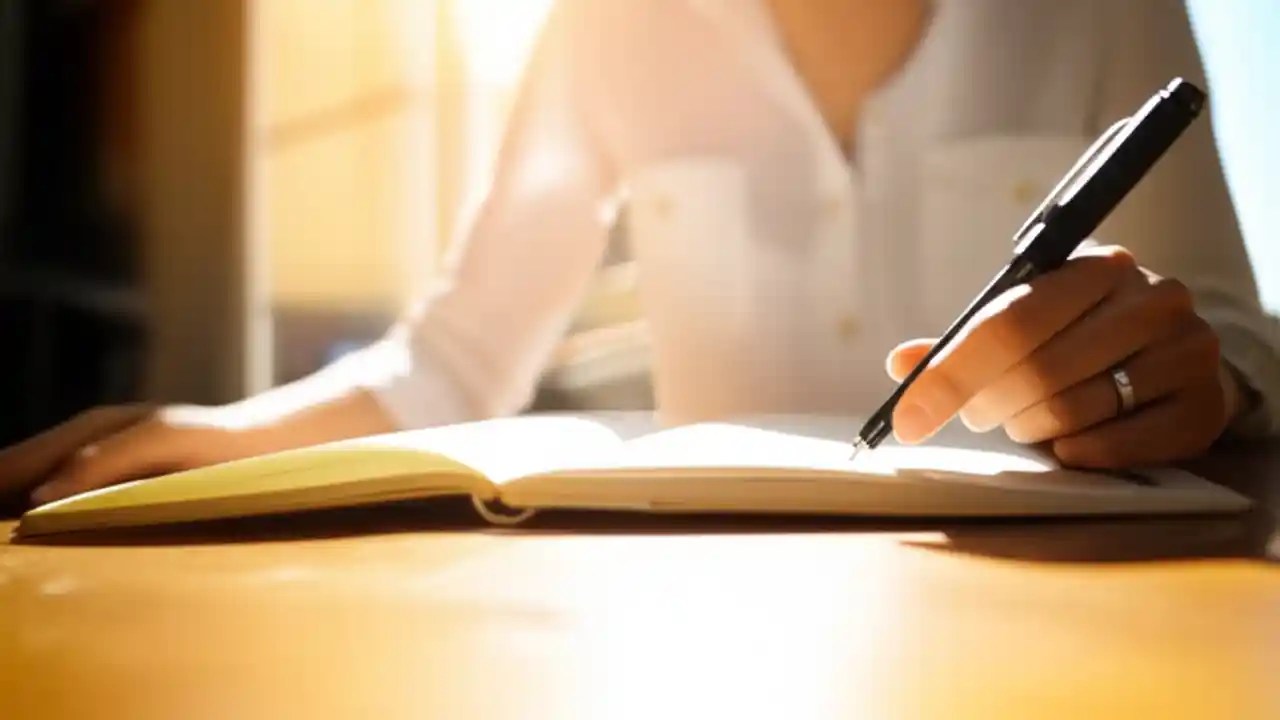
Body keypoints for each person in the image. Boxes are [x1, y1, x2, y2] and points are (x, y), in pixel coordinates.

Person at [3, 0, 1277, 507]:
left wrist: (1196, 381)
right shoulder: (611, 23)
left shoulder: (1104, 5)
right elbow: (453, 365)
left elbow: (1224, 330)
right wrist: (221, 434)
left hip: (1060, 621)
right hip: (699, 626)